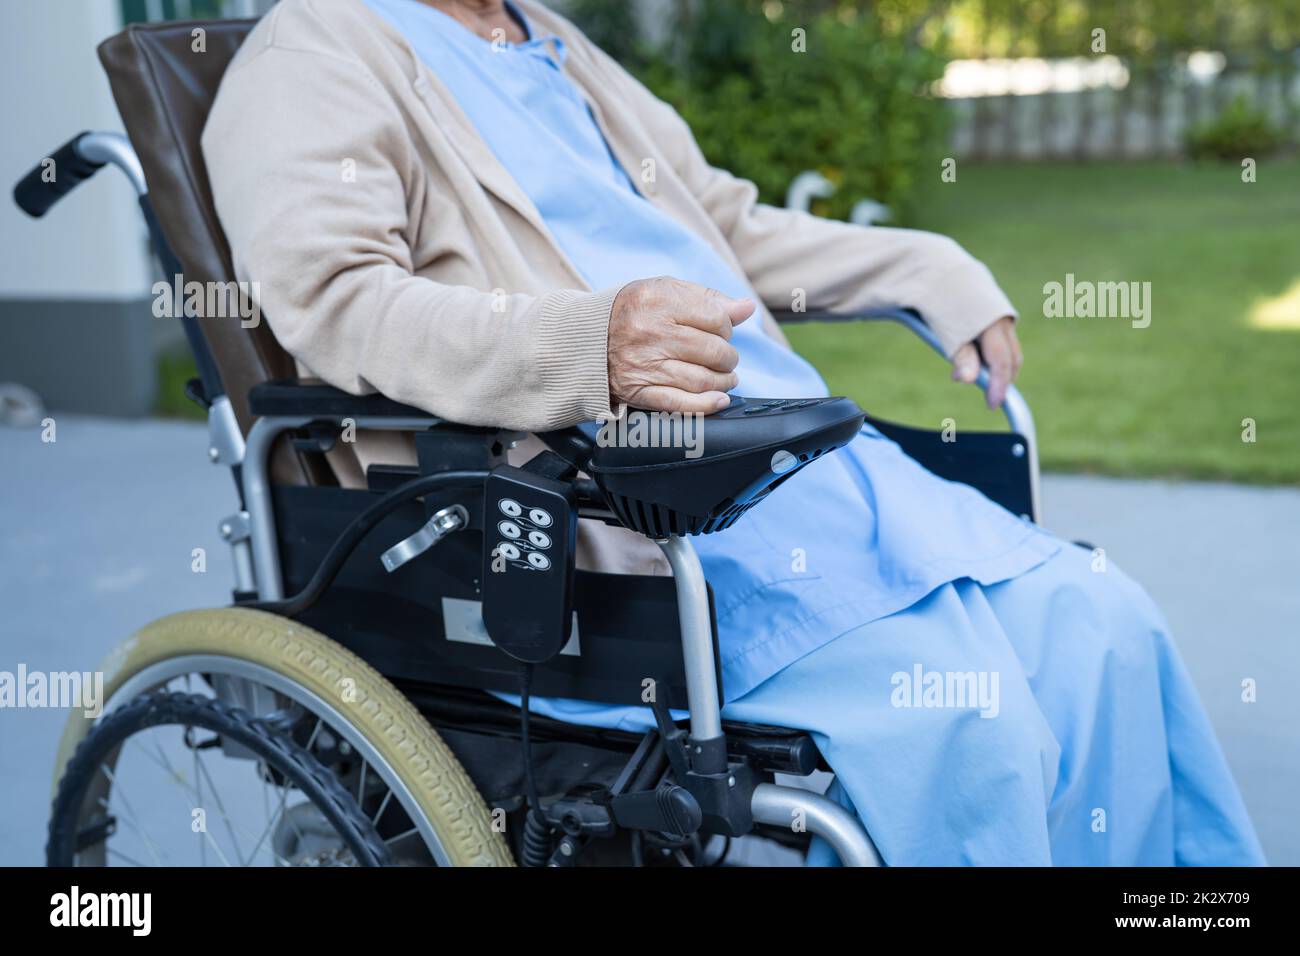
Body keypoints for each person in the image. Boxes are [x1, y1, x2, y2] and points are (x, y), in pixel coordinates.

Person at [202, 0, 1264, 864]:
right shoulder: (315, 48)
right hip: (619, 508)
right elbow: (337, 301)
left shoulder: (548, 41)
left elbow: (727, 228)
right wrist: (589, 346)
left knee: (1105, 624)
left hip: (790, 458)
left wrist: (925, 265)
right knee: (965, 727)